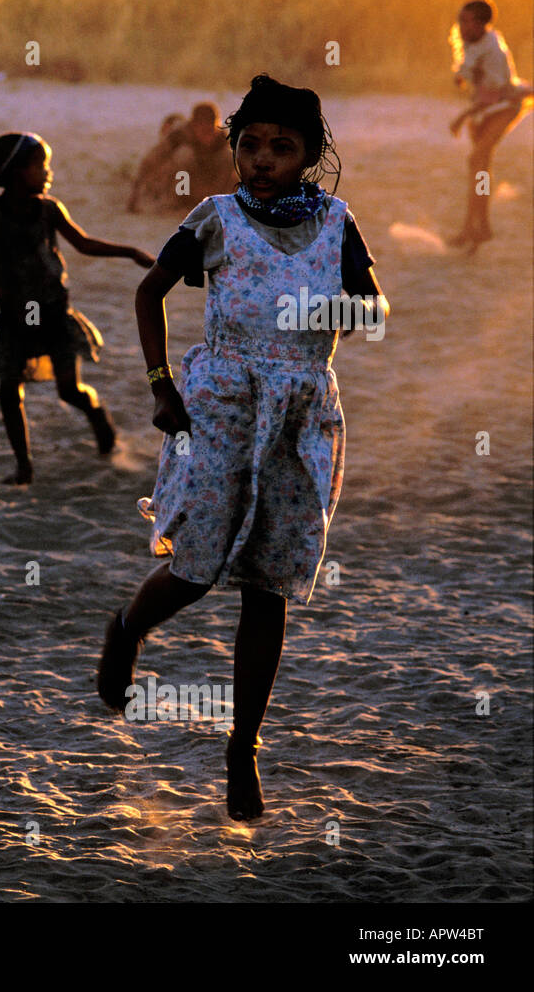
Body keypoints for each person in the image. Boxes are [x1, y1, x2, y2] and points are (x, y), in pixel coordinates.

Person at [97, 75, 388, 821]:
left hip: (299, 410)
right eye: (249, 145)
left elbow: (373, 305)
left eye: (281, 148)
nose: (262, 160)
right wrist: (162, 386)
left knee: (270, 584)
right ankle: (127, 629)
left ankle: (242, 749)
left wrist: (340, 309)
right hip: (221, 401)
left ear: (310, 157)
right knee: (197, 564)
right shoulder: (215, 218)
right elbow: (148, 292)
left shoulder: (337, 223)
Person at [0, 132, 155, 485]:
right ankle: (24, 467)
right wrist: (2, 295)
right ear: (18, 172)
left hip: (53, 313)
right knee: (9, 390)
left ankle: (99, 420)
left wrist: (129, 252)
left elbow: (83, 244)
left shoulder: (49, 209)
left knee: (69, 390)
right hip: (14, 320)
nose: (48, 172)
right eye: (41, 165)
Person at [446, 0, 533, 253]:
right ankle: (475, 229)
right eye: (460, 19)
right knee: (479, 168)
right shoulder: (474, 41)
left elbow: (491, 95)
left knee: (477, 160)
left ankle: (476, 228)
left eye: (466, 21)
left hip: (502, 108)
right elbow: (466, 75)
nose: (461, 25)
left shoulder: (491, 50)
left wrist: (461, 117)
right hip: (486, 107)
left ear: (481, 24)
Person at [127, 102, 238, 214]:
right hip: (178, 184)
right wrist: (135, 195)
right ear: (194, 126)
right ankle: (179, 201)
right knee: (184, 155)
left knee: (229, 157)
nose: (208, 137)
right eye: (203, 131)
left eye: (211, 131)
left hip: (206, 183)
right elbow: (150, 161)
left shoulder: (221, 138)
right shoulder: (179, 135)